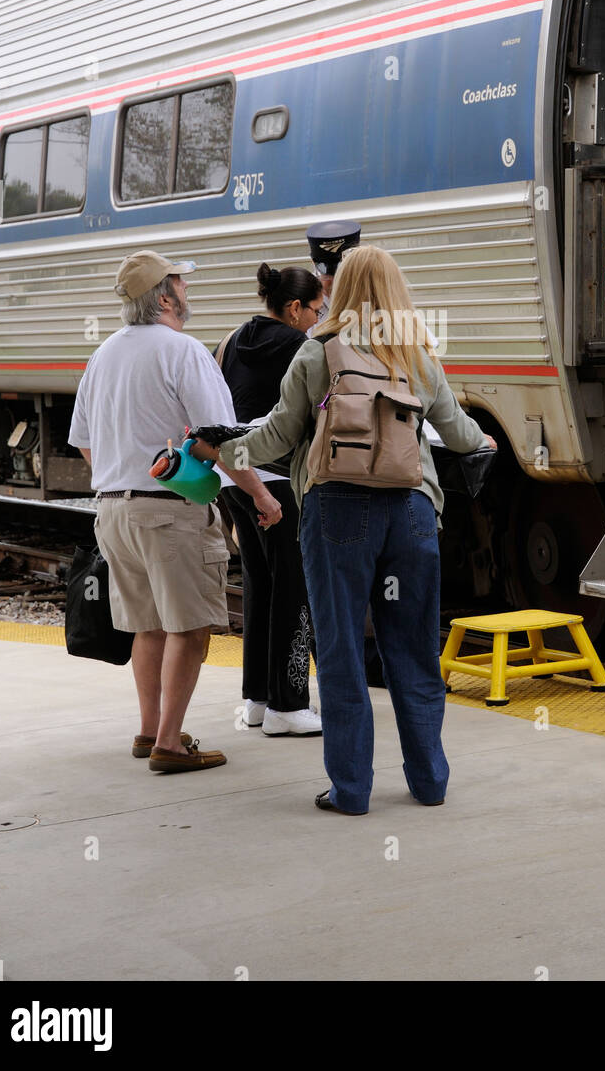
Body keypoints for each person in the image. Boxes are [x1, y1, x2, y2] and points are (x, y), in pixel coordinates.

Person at [188, 245, 497, 814]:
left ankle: (351, 790)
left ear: (339, 287)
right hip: (411, 514)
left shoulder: (320, 350)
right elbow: (458, 433)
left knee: (339, 650)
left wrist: (223, 446)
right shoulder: (418, 353)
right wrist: (484, 443)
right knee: (413, 649)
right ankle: (429, 781)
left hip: (337, 513)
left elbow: (278, 437)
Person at [68, 249, 282, 775]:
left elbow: (83, 442)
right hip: (170, 512)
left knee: (148, 627)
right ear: (164, 297)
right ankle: (170, 744)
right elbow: (222, 441)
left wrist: (126, 473)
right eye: (182, 285)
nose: (188, 292)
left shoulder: (104, 355)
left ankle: (149, 730)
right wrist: (261, 495)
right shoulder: (183, 352)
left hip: (113, 511)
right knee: (188, 629)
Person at [218, 262, 324, 736]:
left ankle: (257, 699)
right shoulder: (303, 348)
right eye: (316, 310)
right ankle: (289, 703)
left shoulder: (231, 341)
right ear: (295, 308)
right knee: (294, 586)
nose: (319, 319)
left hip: (234, 478)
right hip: (278, 480)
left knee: (260, 585)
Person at [305, 220, 361, 327]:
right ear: (313, 263)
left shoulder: (373, 291)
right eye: (328, 276)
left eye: (343, 275)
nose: (336, 282)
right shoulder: (306, 302)